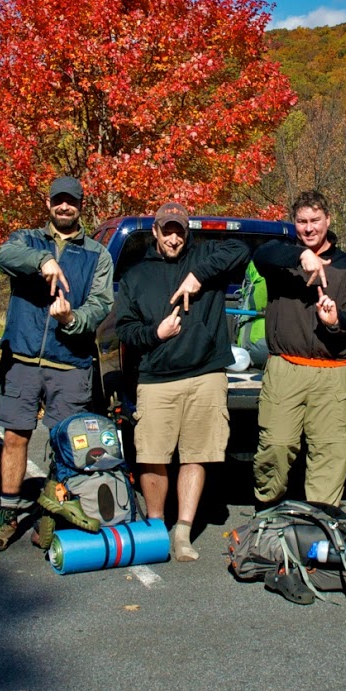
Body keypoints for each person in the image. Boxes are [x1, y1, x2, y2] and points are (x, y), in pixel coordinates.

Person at [114, 202, 251, 561]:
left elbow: (240, 248)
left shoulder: (204, 256)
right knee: (151, 456)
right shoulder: (136, 275)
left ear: (186, 232)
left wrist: (198, 276)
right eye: (167, 231)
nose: (173, 238)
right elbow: (124, 328)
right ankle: (156, 527)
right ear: (155, 232)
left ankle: (183, 532)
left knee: (197, 454)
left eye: (179, 231)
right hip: (156, 378)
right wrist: (155, 334)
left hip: (205, 374)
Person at [0, 176, 114, 551]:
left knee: (65, 444)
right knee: (15, 438)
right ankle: (7, 516)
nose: (64, 207)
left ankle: (49, 514)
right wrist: (43, 261)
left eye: (71, 201)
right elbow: (4, 256)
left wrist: (72, 319)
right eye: (58, 200)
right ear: (48, 204)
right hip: (23, 359)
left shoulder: (97, 255)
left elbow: (101, 304)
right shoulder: (26, 240)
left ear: (81, 205)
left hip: (70, 363)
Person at [251, 190, 346, 508]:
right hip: (285, 369)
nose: (308, 227)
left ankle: (321, 517)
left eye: (315, 220)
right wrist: (302, 256)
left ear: (328, 220)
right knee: (275, 445)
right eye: (302, 221)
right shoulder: (281, 260)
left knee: (331, 451)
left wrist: (337, 319)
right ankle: (268, 509)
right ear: (294, 223)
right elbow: (261, 255)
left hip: (331, 372)